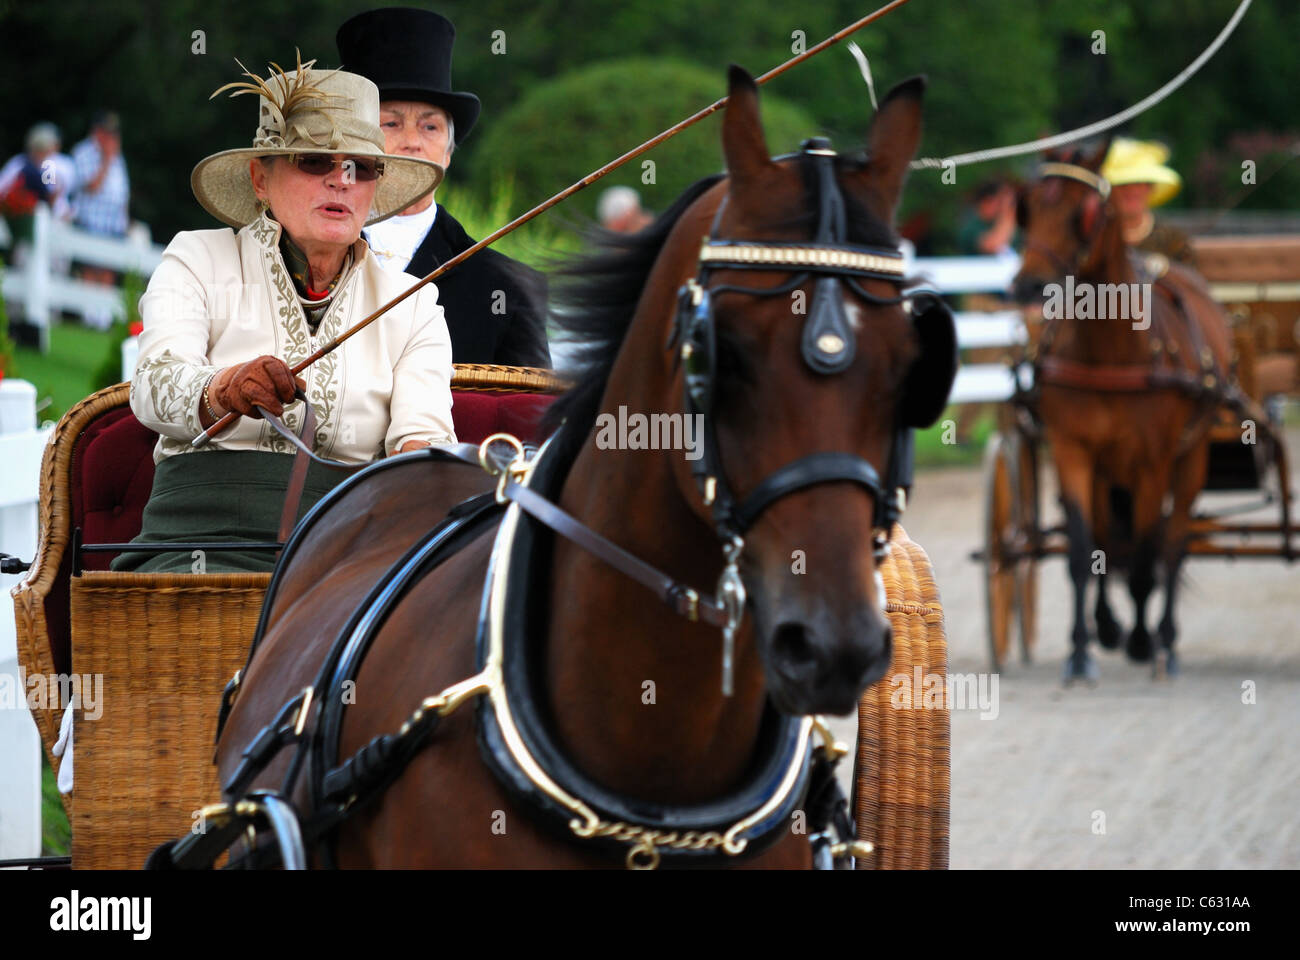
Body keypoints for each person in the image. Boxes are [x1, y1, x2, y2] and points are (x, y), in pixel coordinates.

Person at [114, 55, 454, 574]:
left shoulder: (414, 303)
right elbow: (152, 386)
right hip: (198, 546)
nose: (341, 181)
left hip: (347, 558)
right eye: (315, 161)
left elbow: (422, 440)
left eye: (360, 168)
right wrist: (223, 389)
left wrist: (424, 460)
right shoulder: (196, 258)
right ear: (260, 179)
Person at [336, 7, 550, 367]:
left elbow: (525, 417)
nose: (412, 142)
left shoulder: (508, 287)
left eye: (430, 127)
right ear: (353, 144)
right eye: (391, 123)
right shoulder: (302, 260)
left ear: (448, 153)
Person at [70, 111, 131, 329]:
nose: (111, 138)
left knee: (108, 271)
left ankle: (102, 319)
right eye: (107, 133)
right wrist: (106, 159)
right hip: (91, 223)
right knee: (89, 270)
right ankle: (89, 316)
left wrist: (126, 222)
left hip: (113, 225)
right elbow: (92, 186)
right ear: (97, 132)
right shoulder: (83, 152)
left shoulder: (117, 157)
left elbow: (122, 192)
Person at [1101, 137, 1196, 267]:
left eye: (1140, 183)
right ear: (1108, 189)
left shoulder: (1173, 240)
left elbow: (1188, 283)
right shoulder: (1094, 237)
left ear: (1151, 188)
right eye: (1123, 183)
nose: (1132, 191)